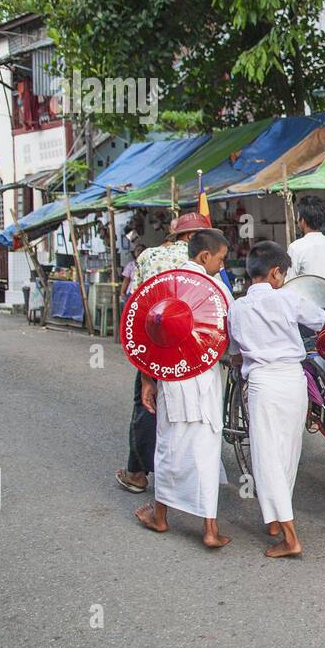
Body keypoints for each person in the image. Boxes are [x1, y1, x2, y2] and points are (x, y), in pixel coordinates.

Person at [228, 240, 325, 558]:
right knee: (287, 452)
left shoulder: (237, 308)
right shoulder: (287, 299)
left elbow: (234, 356)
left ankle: (288, 535)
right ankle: (275, 521)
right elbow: (324, 317)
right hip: (293, 382)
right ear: (276, 273)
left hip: (263, 384)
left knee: (267, 456)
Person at [133, 228, 234, 548]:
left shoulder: (166, 285)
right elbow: (230, 337)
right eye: (220, 259)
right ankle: (209, 528)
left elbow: (144, 336)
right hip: (205, 381)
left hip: (173, 379)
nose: (222, 265)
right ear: (205, 256)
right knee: (205, 451)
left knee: (170, 448)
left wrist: (147, 379)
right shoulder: (217, 290)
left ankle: (160, 516)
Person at [116, 212, 215, 495]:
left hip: (156, 343)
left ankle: (137, 473)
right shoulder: (207, 260)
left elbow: (136, 304)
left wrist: (143, 363)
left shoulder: (148, 257)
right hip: (196, 347)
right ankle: (193, 473)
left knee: (146, 403)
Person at [288, 196, 325, 289]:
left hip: (306, 302)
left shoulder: (295, 248)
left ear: (303, 221)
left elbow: (289, 283)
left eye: (298, 217)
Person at [118, 245, 145, 318]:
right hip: (131, 292)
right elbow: (126, 280)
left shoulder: (147, 264)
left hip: (144, 292)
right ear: (134, 253)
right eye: (138, 250)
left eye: (142, 250)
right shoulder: (131, 265)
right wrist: (122, 292)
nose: (140, 252)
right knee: (129, 313)